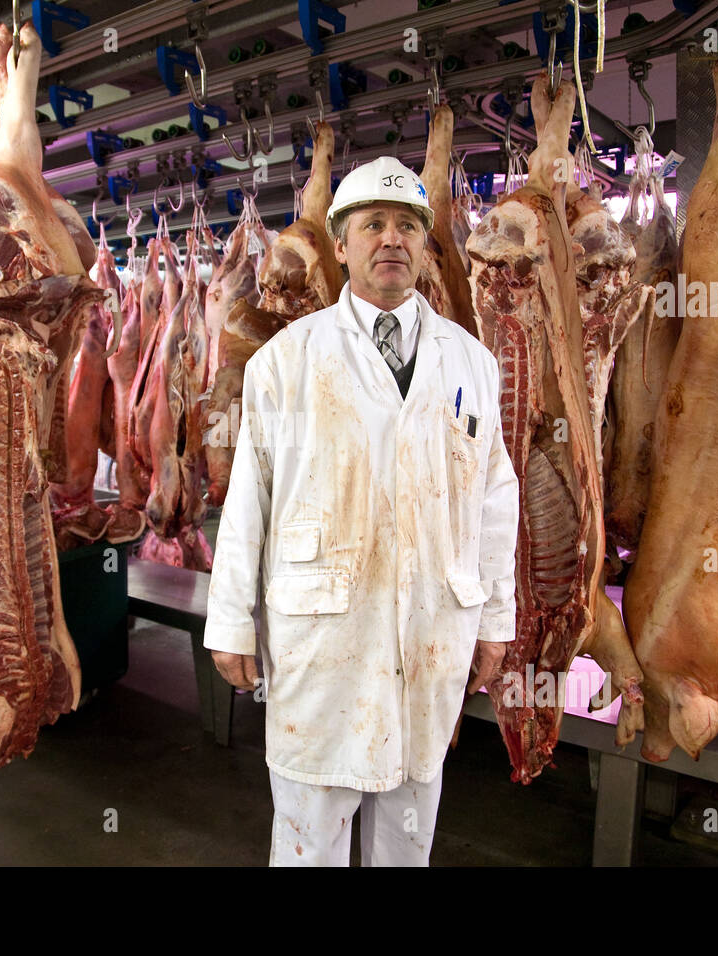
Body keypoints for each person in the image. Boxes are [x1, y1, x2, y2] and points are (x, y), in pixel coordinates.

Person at [203, 156, 519, 866]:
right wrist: (229, 620)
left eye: (407, 225)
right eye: (372, 224)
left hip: (430, 637)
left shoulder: (472, 363)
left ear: (427, 249)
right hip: (325, 646)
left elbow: (496, 499)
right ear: (340, 245)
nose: (391, 240)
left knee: (408, 840)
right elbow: (247, 496)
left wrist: (497, 619)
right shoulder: (285, 360)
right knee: (311, 841)